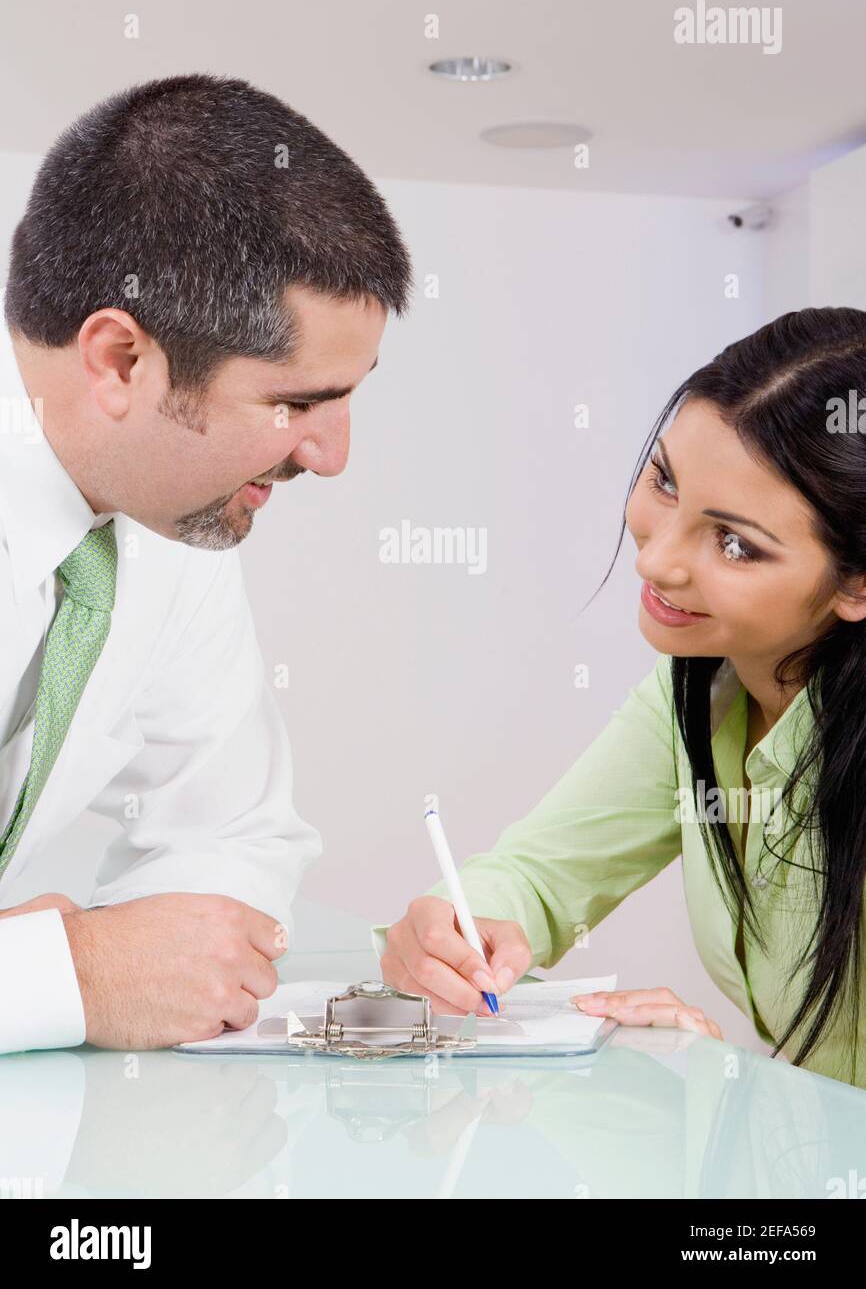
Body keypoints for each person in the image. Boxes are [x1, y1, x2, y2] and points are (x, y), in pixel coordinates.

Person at [0, 72, 411, 1054]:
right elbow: (91, 972)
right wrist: (73, 974)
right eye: (298, 403)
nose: (331, 453)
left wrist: (162, 956)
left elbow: (231, 830)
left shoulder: (159, 519)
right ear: (120, 362)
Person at [379, 307, 866, 1088]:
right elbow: (540, 877)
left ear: (855, 582)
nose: (657, 561)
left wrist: (725, 1084)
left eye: (735, 543)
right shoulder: (707, 691)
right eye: (666, 481)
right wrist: (456, 931)